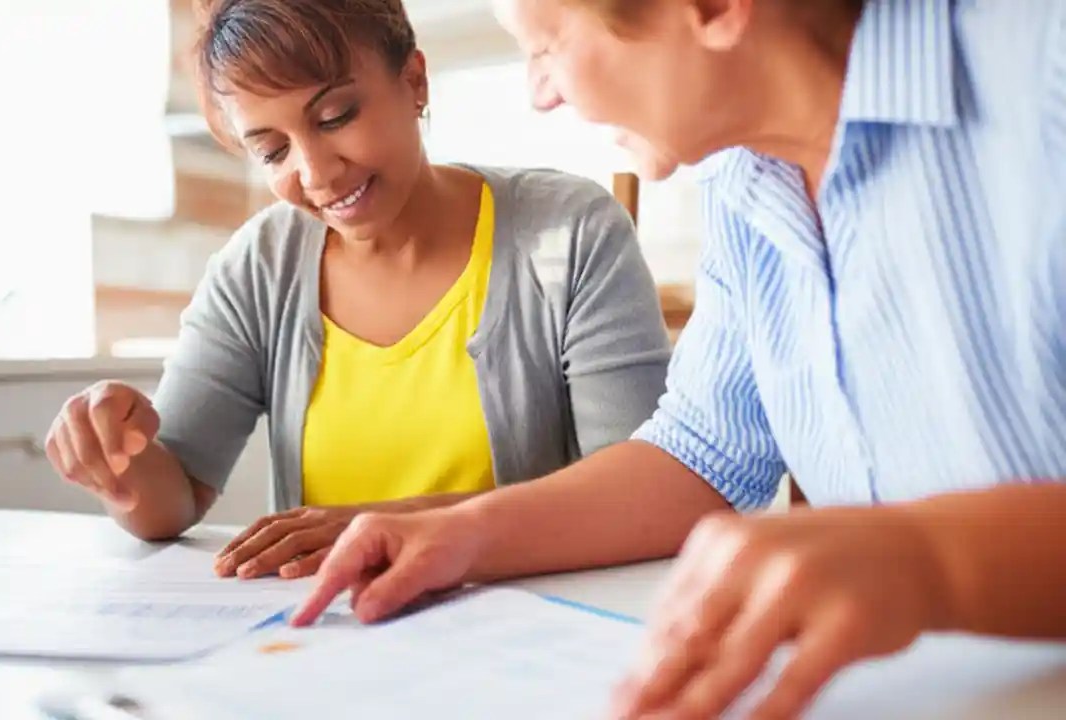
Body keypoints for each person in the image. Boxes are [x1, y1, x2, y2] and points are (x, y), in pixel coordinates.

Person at [293, 0, 1066, 717]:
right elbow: (700, 457)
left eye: (549, 46)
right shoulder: (742, 177)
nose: (541, 94)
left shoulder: (1043, 73)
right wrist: (468, 530)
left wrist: (930, 559)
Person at [43, 0, 672, 582]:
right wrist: (115, 457)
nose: (315, 172)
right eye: (272, 150)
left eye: (336, 116)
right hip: (329, 643)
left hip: (527, 633)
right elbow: (174, 493)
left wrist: (401, 526)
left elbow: (642, 491)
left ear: (415, 81)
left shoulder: (569, 233)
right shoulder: (258, 267)